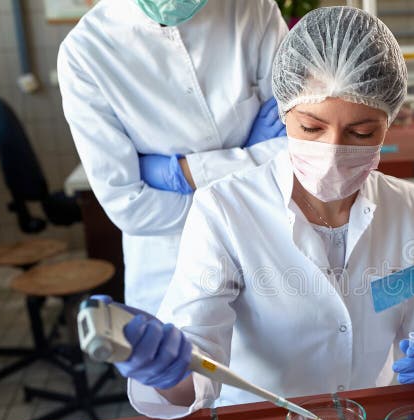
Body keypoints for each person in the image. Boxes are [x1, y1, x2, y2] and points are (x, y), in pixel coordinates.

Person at [104, 6, 414, 419]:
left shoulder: (410, 208)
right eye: (311, 128)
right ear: (283, 112)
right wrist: (166, 370)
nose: (332, 150)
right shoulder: (225, 211)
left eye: (361, 132)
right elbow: (197, 366)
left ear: (389, 123)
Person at [58, 0, 289, 314]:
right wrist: (249, 163)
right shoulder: (85, 51)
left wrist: (182, 173)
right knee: (181, 345)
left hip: (264, 256)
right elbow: (130, 207)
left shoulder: (253, 10)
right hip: (167, 270)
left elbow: (297, 147)